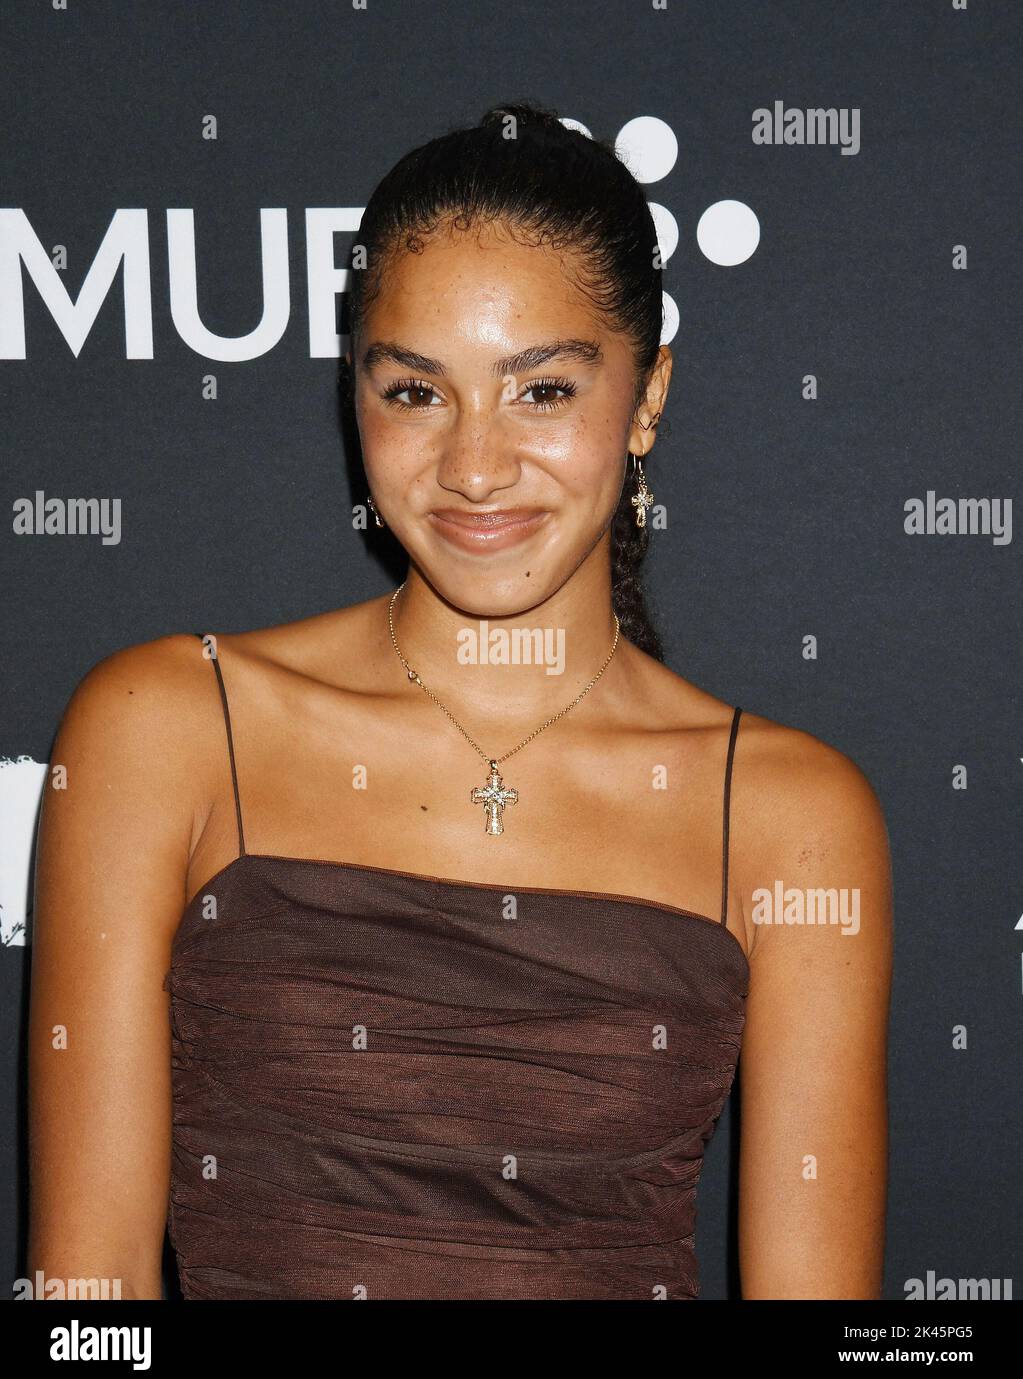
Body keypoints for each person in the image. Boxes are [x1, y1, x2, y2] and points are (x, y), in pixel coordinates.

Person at [26, 101, 892, 1300]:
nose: (475, 467)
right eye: (416, 392)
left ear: (647, 397)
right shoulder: (167, 725)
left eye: (541, 391)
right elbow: (85, 1302)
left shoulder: (792, 811)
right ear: (354, 397)